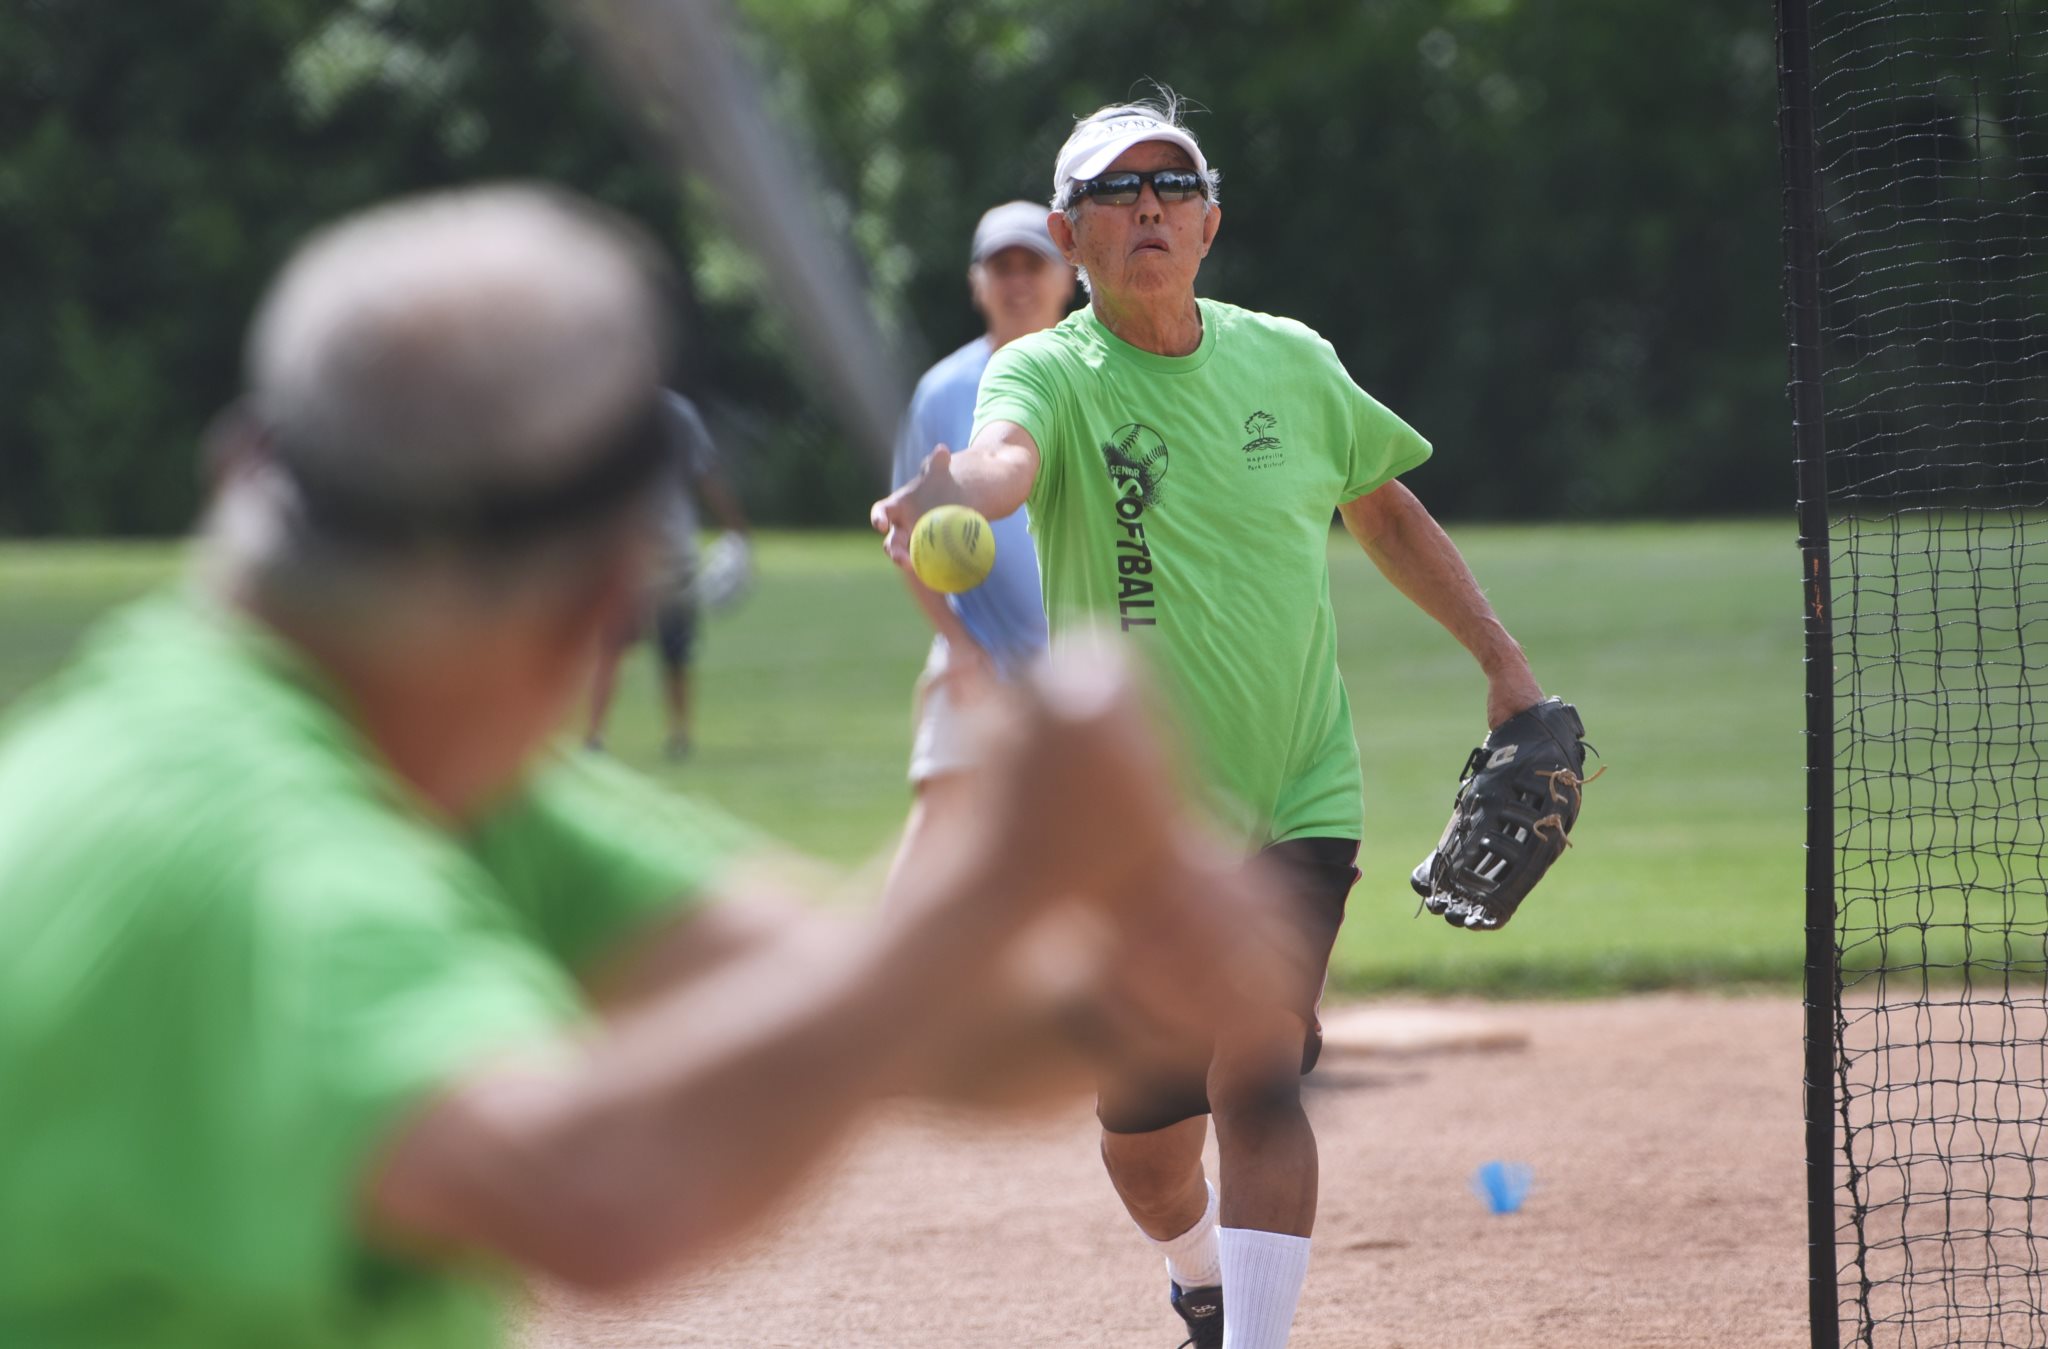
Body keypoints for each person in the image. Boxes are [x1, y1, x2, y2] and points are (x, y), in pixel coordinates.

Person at [0, 184, 1294, 1349]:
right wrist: (1005, 871)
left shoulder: (389, 759)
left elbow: (861, 1006)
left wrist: (1121, 985)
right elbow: (601, 1193)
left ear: (251, 473)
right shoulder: (255, 846)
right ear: (604, 596)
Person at [872, 96, 1548, 1349]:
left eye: (1170, 187)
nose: (1147, 208)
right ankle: (1195, 1272)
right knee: (1143, 1146)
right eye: (1116, 191)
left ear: (1210, 221)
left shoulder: (1289, 358)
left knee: (1259, 1065)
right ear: (1071, 238)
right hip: (1134, 819)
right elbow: (1002, 463)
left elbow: (1383, 508)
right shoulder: (1047, 369)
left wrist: (1502, 665)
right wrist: (946, 490)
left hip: (1300, 785)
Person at [881, 201, 1072, 900]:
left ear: (1068, 274)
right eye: (1002, 266)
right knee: (939, 823)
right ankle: (884, 1003)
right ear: (977, 283)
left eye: (1033, 263)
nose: (1017, 280)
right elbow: (905, 534)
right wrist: (957, 645)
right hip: (979, 651)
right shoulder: (944, 390)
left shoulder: (1101, 374)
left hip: (1084, 658)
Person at [583, 387, 749, 760]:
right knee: (662, 650)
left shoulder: (612, 410)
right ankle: (673, 736)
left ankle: (603, 737)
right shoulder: (669, 413)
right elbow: (708, 476)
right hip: (657, 550)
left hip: (641, 551)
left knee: (634, 648)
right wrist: (736, 526)